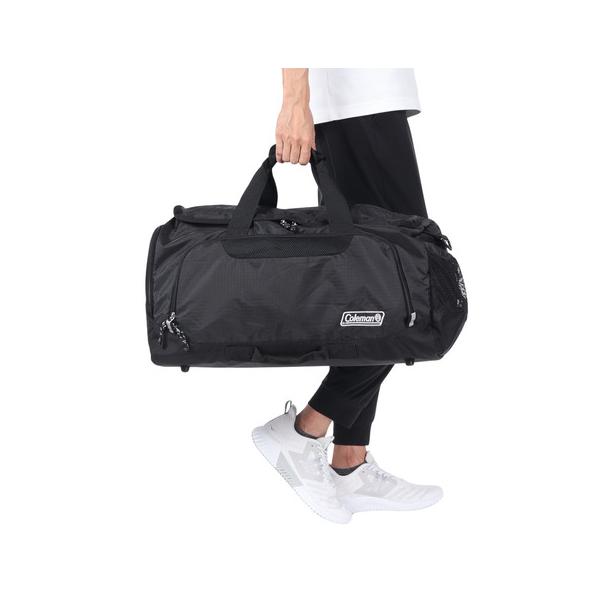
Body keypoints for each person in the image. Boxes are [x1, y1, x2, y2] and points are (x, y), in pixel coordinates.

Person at [252, 69, 442, 524]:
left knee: (372, 293)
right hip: (355, 104)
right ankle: (305, 429)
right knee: (408, 291)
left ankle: (349, 461)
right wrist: (294, 100)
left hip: (367, 102)